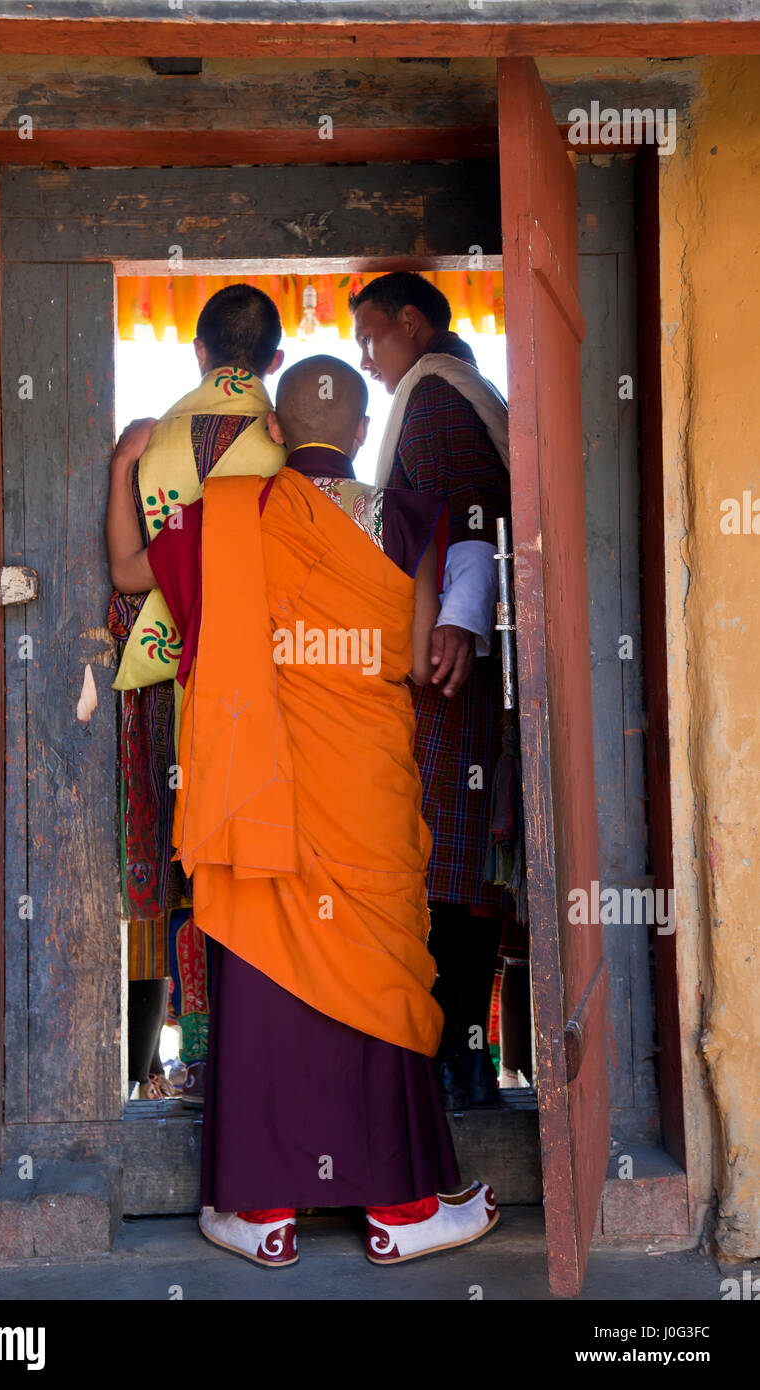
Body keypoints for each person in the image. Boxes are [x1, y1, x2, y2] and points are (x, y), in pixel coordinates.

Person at [106, 355, 499, 1267]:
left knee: (269, 983)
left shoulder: (230, 518)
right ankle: (401, 1210)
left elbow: (131, 573)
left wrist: (128, 466)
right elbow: (412, 661)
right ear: (364, 433)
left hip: (261, 800)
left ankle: (259, 1212)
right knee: (379, 983)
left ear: (274, 432)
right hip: (364, 795)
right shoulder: (409, 520)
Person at [350, 271, 527, 1109]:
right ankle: (460, 1059)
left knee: (451, 861)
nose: (368, 359)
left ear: (412, 325)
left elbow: (471, 517)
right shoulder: (455, 389)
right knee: (462, 861)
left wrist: (456, 620)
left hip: (455, 664)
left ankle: (453, 1059)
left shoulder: (436, 397)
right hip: (464, 655)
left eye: (373, 337)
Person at [106, 284, 286, 1099]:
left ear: (199, 354)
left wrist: (121, 468)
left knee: (195, 872)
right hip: (284, 692)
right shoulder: (292, 443)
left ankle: (200, 1061)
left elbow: (128, 576)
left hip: (185, 688)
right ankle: (264, 1058)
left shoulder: (156, 443)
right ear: (274, 362)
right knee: (270, 877)